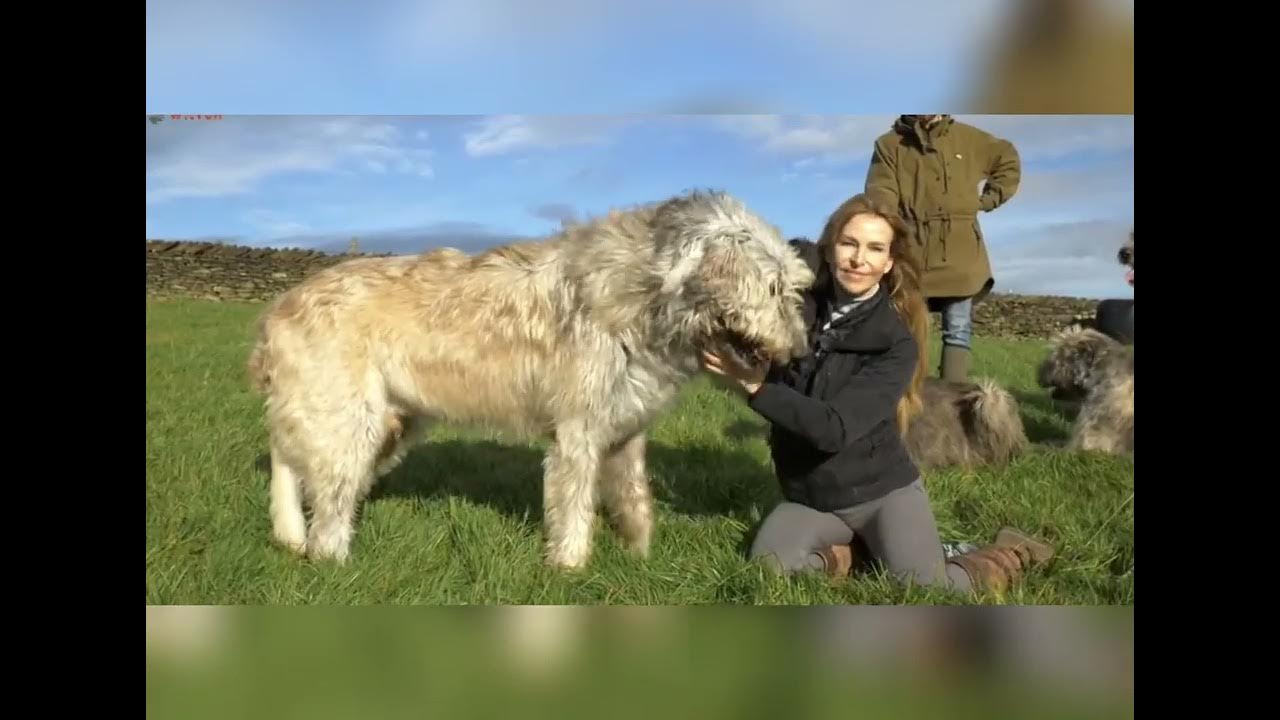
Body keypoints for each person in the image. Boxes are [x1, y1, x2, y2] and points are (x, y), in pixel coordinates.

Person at [702, 193, 1053, 596]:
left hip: (880, 495)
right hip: (812, 496)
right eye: (849, 243)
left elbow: (833, 429)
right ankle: (859, 554)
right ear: (831, 249)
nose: (858, 259)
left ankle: (1010, 553)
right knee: (769, 567)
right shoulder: (793, 312)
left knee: (928, 588)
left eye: (874, 248)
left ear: (888, 263)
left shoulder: (896, 344)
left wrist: (755, 386)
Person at [864, 114, 1021, 383]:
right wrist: (888, 229)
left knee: (958, 328)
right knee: (907, 330)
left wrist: (988, 199)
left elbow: (1007, 158)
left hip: (960, 251)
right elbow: (881, 192)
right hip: (912, 249)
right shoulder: (889, 145)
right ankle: (907, 397)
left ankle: (952, 399)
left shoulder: (969, 138)